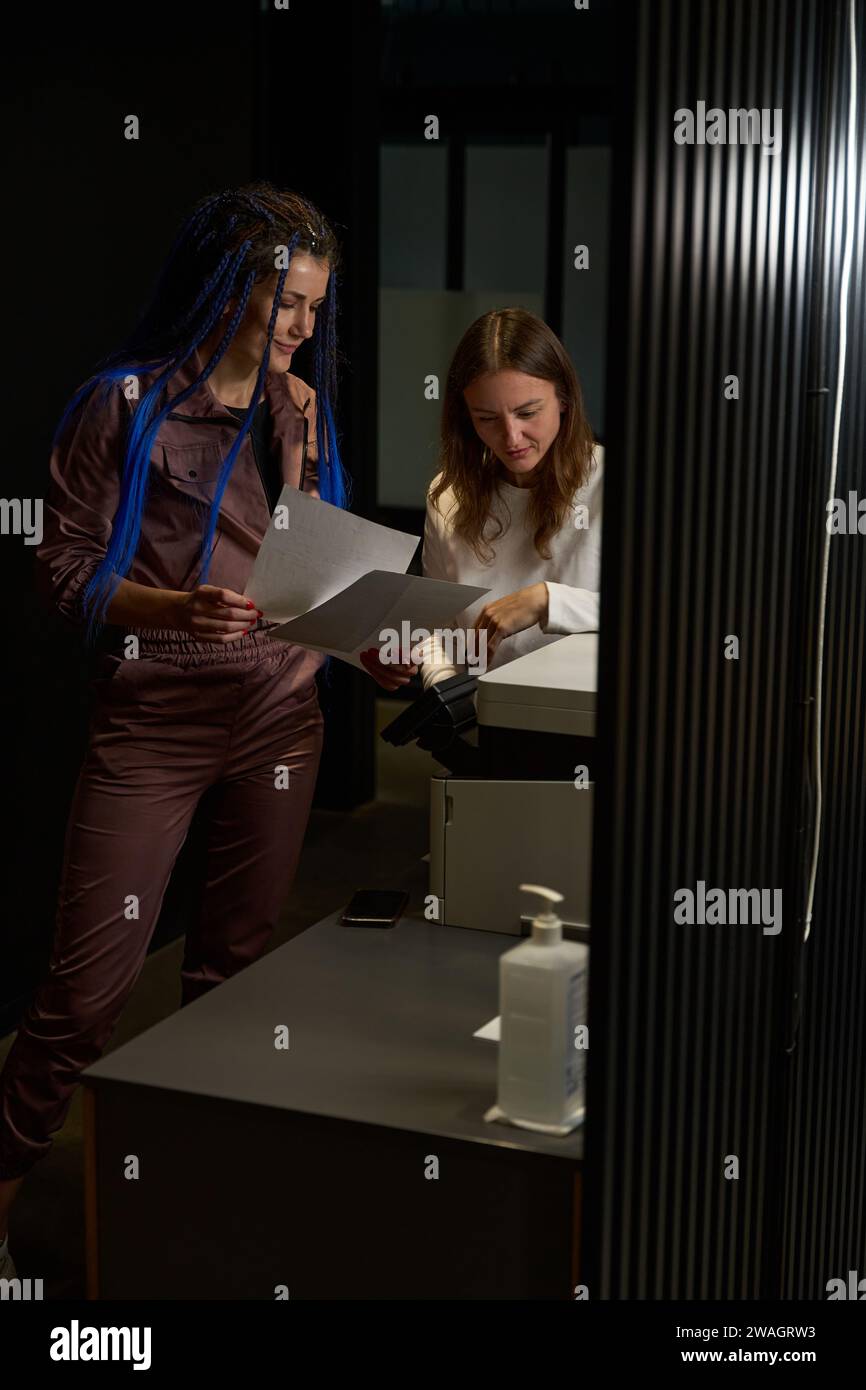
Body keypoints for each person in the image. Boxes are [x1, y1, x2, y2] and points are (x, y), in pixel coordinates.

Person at [0, 182, 349, 1275]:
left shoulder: (301, 409)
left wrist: (368, 623)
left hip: (282, 716)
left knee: (236, 973)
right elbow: (60, 572)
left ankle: (201, 1202)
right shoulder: (122, 402)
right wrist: (170, 606)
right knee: (84, 994)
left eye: (313, 309)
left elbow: (315, 562)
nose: (300, 328)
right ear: (224, 288)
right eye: (285, 303)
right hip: (154, 719)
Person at [361, 307, 602, 692]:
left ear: (564, 400)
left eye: (527, 413)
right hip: (483, 719)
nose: (511, 437)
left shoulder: (612, 484)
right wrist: (441, 685)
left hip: (589, 720)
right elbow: (440, 628)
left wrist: (547, 601)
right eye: (487, 418)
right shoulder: (448, 496)